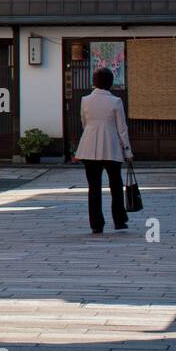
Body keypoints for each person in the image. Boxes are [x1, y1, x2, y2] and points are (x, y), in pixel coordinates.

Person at [73, 66, 132, 234]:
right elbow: (122, 128)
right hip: (111, 146)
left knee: (94, 186)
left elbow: (84, 122)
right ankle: (119, 220)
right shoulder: (115, 101)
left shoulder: (85, 100)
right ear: (111, 83)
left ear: (94, 82)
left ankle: (96, 224)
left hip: (89, 145)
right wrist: (127, 150)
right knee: (116, 183)